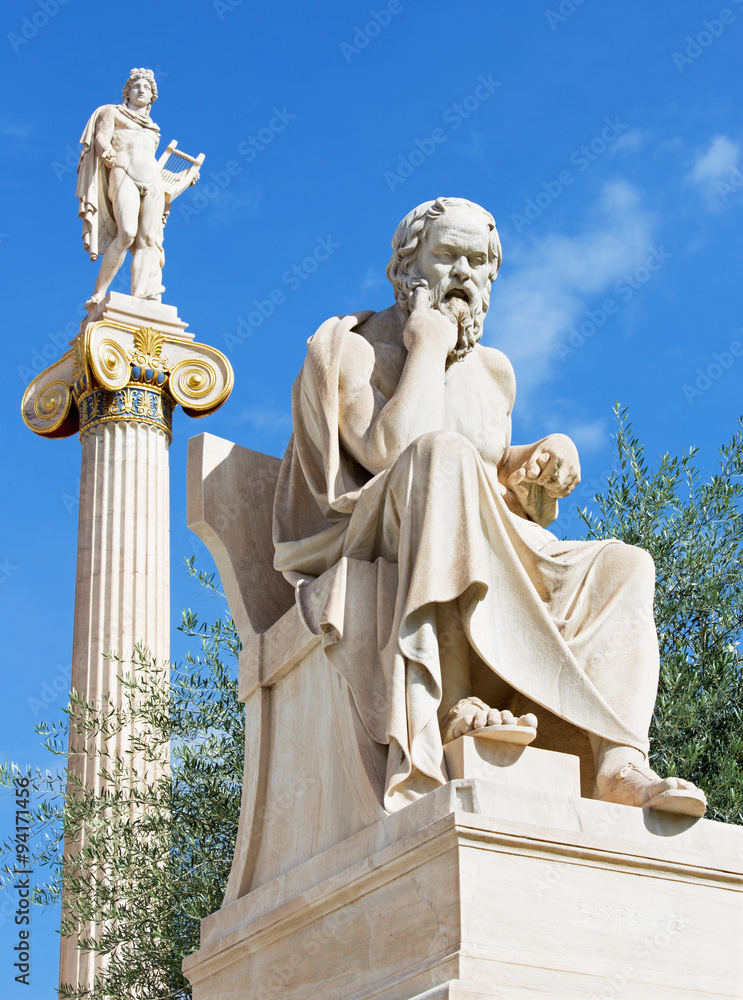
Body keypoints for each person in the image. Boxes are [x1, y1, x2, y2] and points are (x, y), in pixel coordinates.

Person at [273, 197, 706, 817]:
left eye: (477, 262)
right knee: (440, 456)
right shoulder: (355, 349)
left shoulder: (495, 371)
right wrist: (427, 345)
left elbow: (495, 459)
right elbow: (393, 450)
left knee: (625, 565)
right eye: (447, 255)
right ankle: (450, 703)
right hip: (374, 527)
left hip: (466, 515)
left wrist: (544, 453)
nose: (463, 273)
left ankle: (618, 760)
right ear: (407, 266)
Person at [77, 68, 166, 308]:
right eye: (136, 86)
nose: (141, 90)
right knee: (126, 233)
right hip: (123, 173)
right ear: (127, 92)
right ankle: (99, 292)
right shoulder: (112, 112)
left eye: (146, 88)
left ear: (152, 97)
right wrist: (105, 149)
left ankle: (143, 295)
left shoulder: (153, 129)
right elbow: (101, 137)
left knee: (149, 240)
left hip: (152, 180)